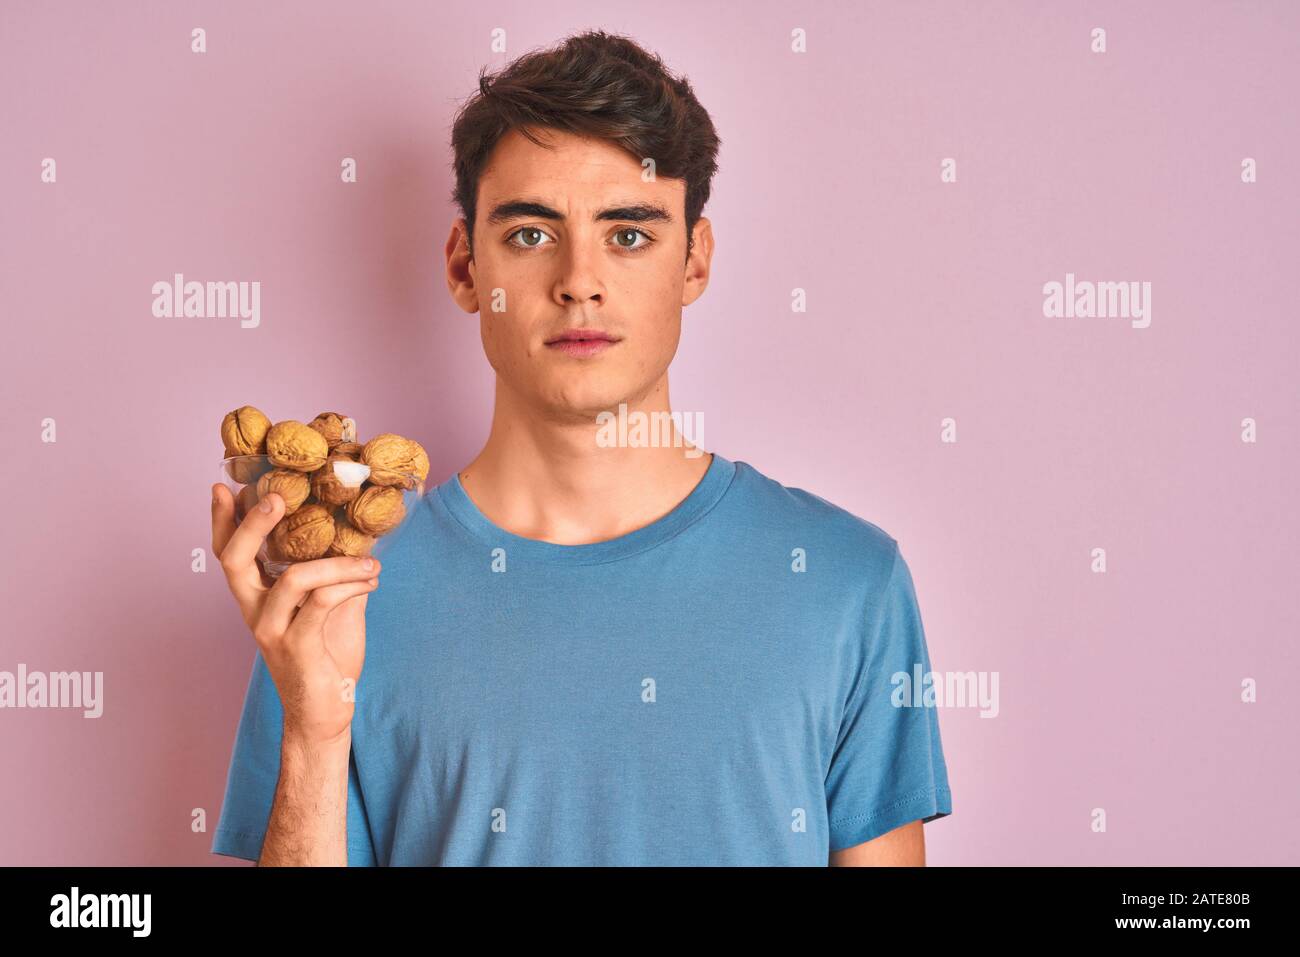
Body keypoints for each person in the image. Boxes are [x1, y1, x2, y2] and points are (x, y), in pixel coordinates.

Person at [209, 28, 951, 866]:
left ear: (694, 263)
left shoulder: (845, 581)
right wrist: (313, 727)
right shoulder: (337, 595)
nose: (579, 279)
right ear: (463, 266)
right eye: (530, 234)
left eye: (629, 234)